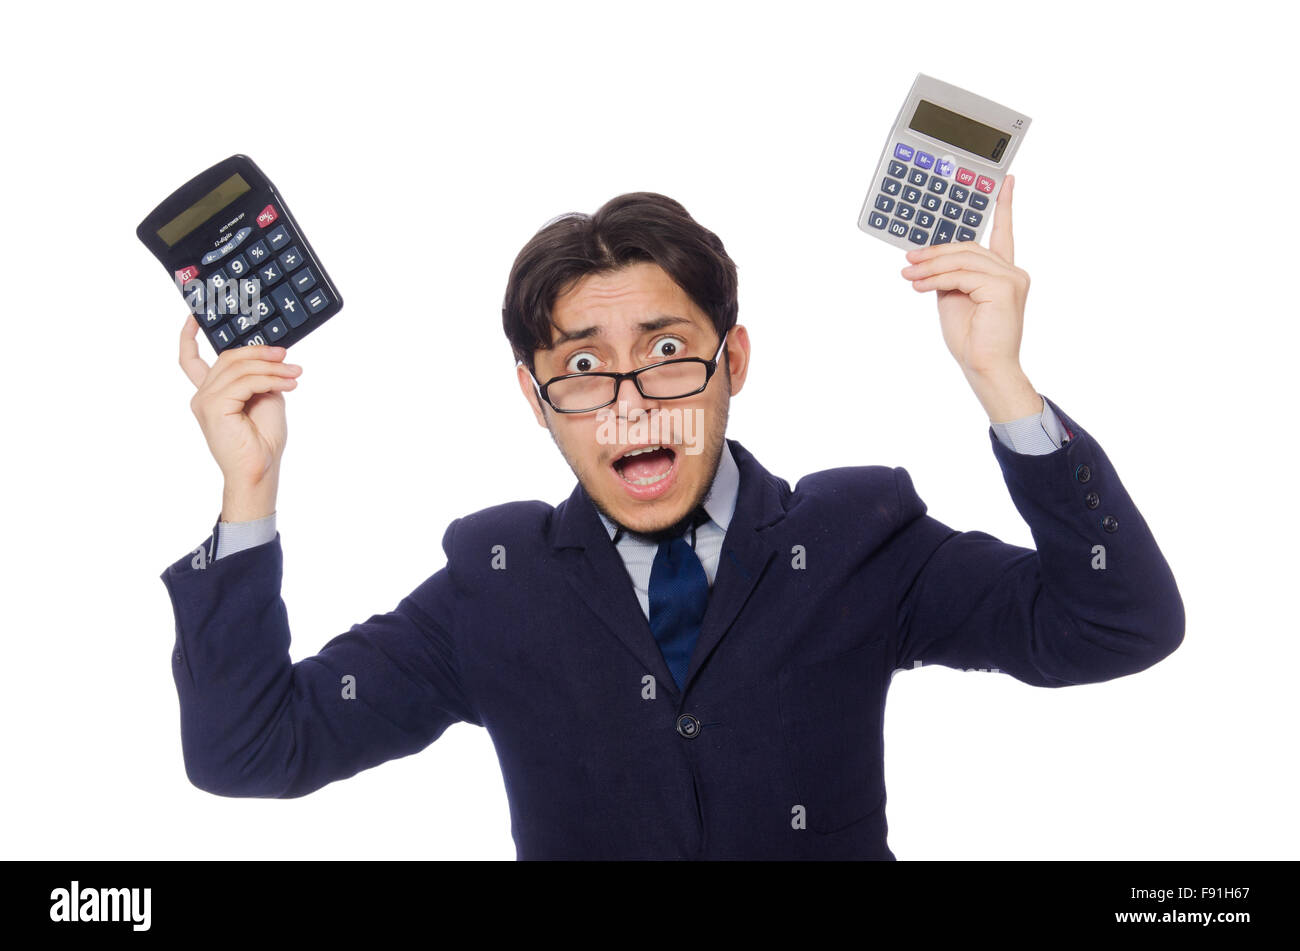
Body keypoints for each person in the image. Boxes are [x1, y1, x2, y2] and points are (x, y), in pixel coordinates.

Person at [162, 178, 1184, 859]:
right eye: (581, 368)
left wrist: (999, 380)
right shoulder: (492, 584)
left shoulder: (857, 537)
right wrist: (248, 494)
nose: (629, 402)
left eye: (665, 352)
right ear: (534, 397)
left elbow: (1117, 625)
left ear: (732, 362)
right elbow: (249, 749)